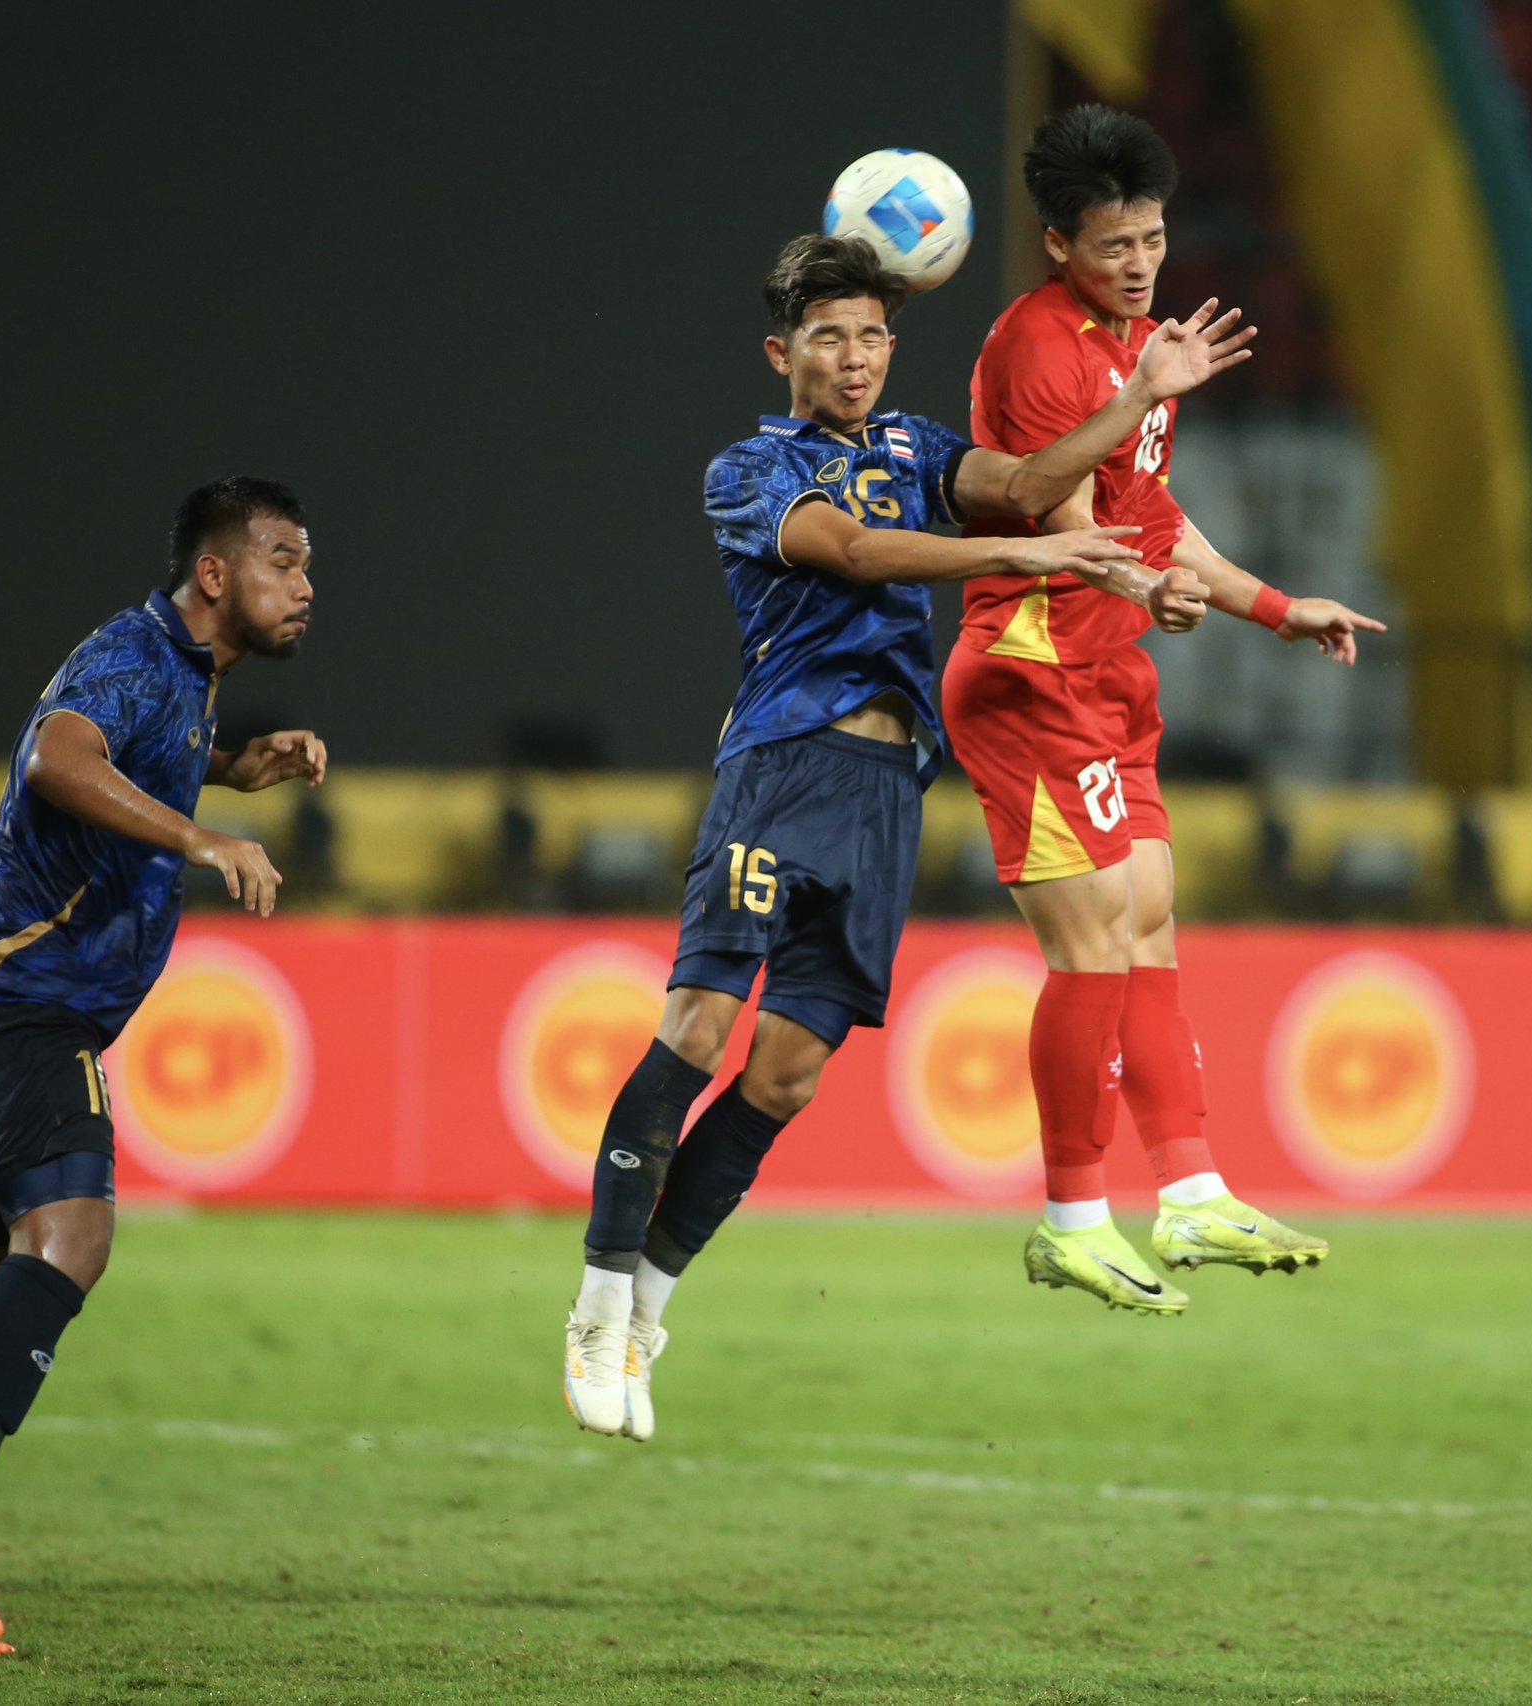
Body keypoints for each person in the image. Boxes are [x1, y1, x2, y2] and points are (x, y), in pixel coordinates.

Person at [562, 234, 1250, 1438]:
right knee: (700, 1026)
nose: (854, 357)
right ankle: (595, 1300)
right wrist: (1019, 552)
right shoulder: (750, 467)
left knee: (785, 1074)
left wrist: (1137, 399)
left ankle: (649, 1311)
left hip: (886, 793)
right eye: (829, 336)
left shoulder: (918, 447)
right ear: (780, 352)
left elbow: (1028, 483)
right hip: (780, 767)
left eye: (873, 335)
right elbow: (854, 550)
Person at [0, 478, 326, 1656]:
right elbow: (56, 758)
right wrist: (203, 833)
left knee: (0, 1285)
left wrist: (231, 767)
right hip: (18, 1008)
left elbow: (136, 753)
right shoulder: (134, 652)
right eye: (282, 559)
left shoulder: (182, 677)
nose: (305, 584)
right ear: (213, 572)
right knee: (75, 1234)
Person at [943, 107, 1384, 1315]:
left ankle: (1189, 1192)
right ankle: (1071, 1219)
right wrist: (1141, 575)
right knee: (1089, 941)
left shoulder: (1145, 348)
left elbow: (1150, 512)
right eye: (1113, 244)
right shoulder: (1038, 348)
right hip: (1032, 671)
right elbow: (1056, 510)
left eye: (1152, 236)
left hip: (1108, 673)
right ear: (1057, 244)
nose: (1140, 261)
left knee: (1145, 918)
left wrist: (1274, 604)